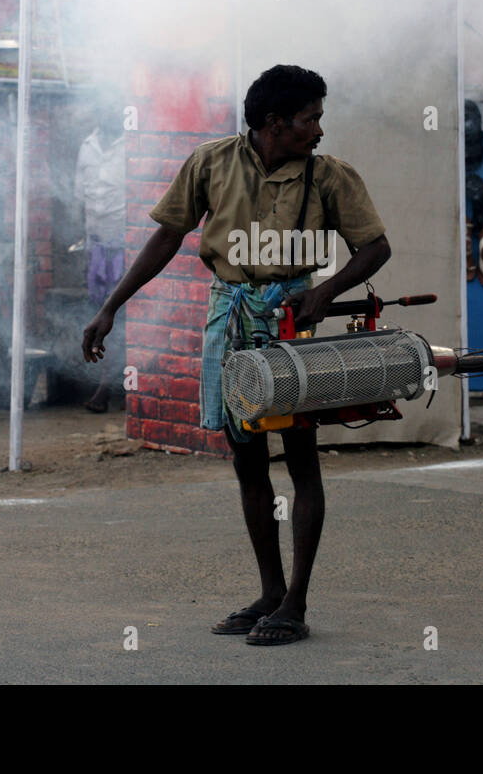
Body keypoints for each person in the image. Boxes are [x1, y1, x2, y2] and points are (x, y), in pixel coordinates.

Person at [82, 65, 391, 645]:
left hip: (292, 326)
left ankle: (295, 605)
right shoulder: (211, 163)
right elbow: (167, 236)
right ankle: (270, 594)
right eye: (310, 119)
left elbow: (375, 247)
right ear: (274, 123)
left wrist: (324, 293)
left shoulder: (329, 176)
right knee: (247, 461)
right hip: (228, 319)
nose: (319, 130)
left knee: (301, 460)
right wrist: (110, 306)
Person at [72, 91, 127, 412]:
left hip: (125, 248)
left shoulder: (130, 147)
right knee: (100, 314)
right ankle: (107, 382)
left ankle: (108, 386)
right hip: (96, 247)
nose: (107, 116)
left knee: (119, 315)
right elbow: (81, 198)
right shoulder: (87, 146)